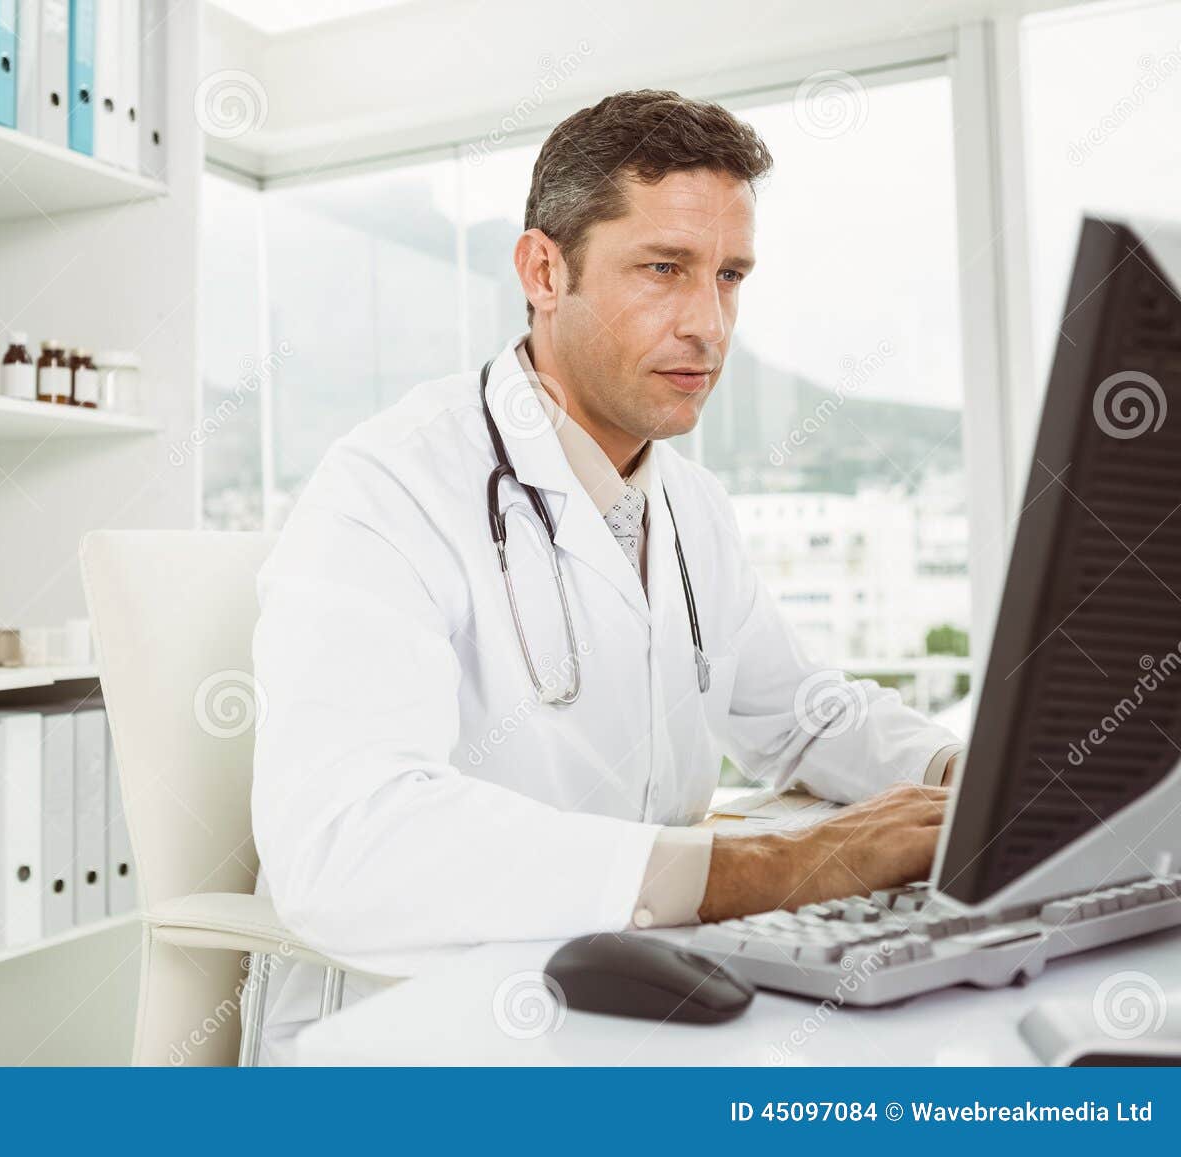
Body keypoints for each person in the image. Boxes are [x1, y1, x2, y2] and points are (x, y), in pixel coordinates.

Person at [249, 89, 961, 1051]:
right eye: (664, 269)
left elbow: (801, 715)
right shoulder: (388, 487)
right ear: (544, 269)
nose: (709, 324)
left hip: (640, 990)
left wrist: (975, 773)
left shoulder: (688, 505)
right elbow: (344, 847)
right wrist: (759, 870)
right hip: (417, 1021)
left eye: (731, 276)